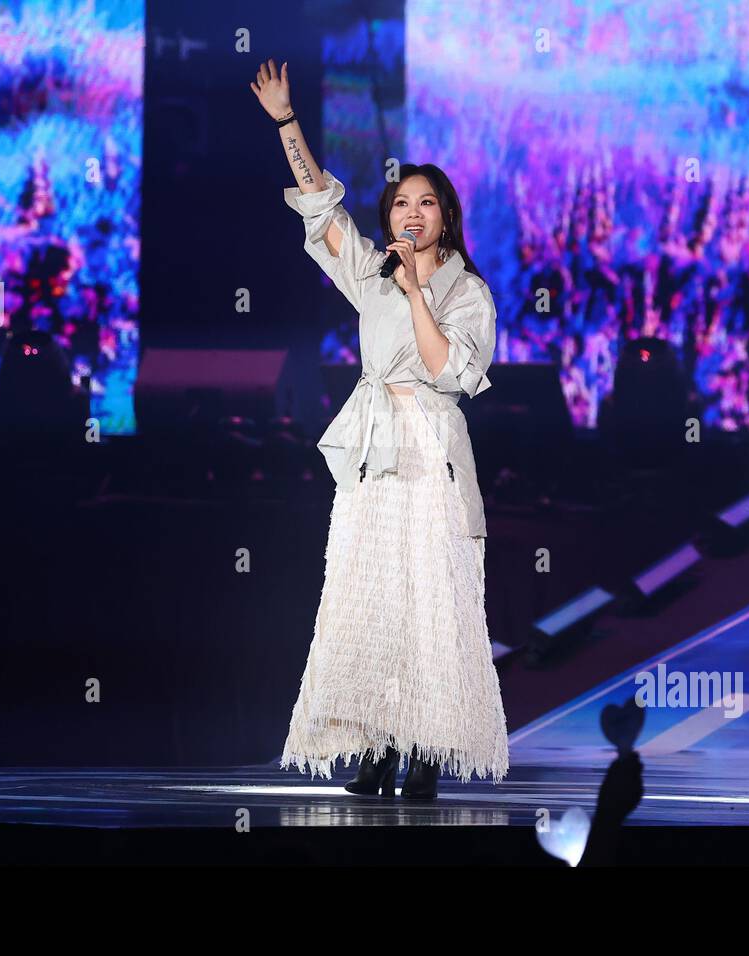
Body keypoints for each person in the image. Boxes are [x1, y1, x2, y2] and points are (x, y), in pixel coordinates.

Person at [251, 58, 509, 800]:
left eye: (426, 204)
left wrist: (414, 293)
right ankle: (378, 743)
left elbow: (448, 368)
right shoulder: (370, 273)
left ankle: (427, 746)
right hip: (372, 453)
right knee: (369, 598)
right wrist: (286, 124)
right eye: (401, 204)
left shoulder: (468, 292)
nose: (411, 214)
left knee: (429, 600)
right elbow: (318, 208)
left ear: (445, 218)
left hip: (430, 453)